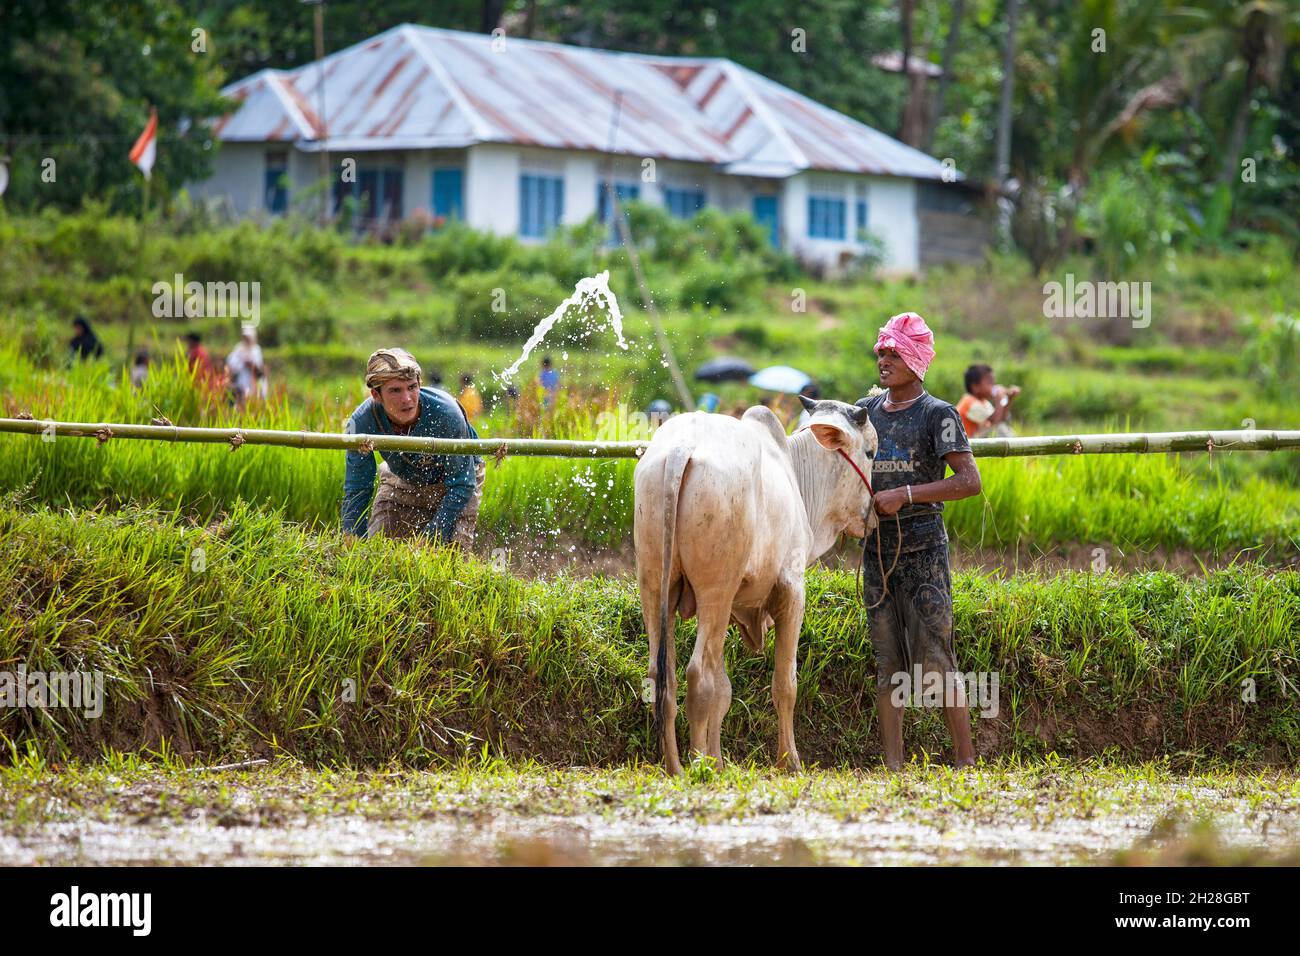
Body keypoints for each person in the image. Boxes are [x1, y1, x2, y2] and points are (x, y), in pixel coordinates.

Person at [855, 311, 982, 771]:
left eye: (893, 353)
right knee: (887, 660)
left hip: (924, 549)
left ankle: (965, 761)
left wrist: (905, 494)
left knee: (936, 658)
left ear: (915, 360)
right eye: (881, 352)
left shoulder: (939, 415)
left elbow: (969, 481)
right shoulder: (864, 414)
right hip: (877, 551)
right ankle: (893, 766)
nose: (884, 359)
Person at [341, 348, 485, 549]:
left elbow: (461, 483)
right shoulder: (361, 422)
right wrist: (351, 537)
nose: (407, 399)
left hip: (456, 481)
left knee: (448, 558)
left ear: (420, 384)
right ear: (376, 395)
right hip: (402, 476)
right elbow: (358, 487)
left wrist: (432, 536)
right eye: (395, 390)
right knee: (377, 548)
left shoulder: (447, 414)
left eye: (412, 387)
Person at [957, 364, 1020, 438]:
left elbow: (1001, 418)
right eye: (989, 383)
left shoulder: (984, 402)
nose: (993, 386)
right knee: (1000, 428)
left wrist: (1010, 399)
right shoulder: (969, 402)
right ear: (975, 386)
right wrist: (999, 399)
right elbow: (996, 422)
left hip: (976, 438)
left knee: (1002, 426)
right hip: (967, 442)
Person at [226, 325, 266, 407]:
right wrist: (242, 364)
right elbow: (231, 362)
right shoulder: (239, 348)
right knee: (241, 400)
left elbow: (259, 366)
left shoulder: (256, 349)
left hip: (252, 380)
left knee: (252, 399)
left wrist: (251, 365)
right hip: (241, 379)